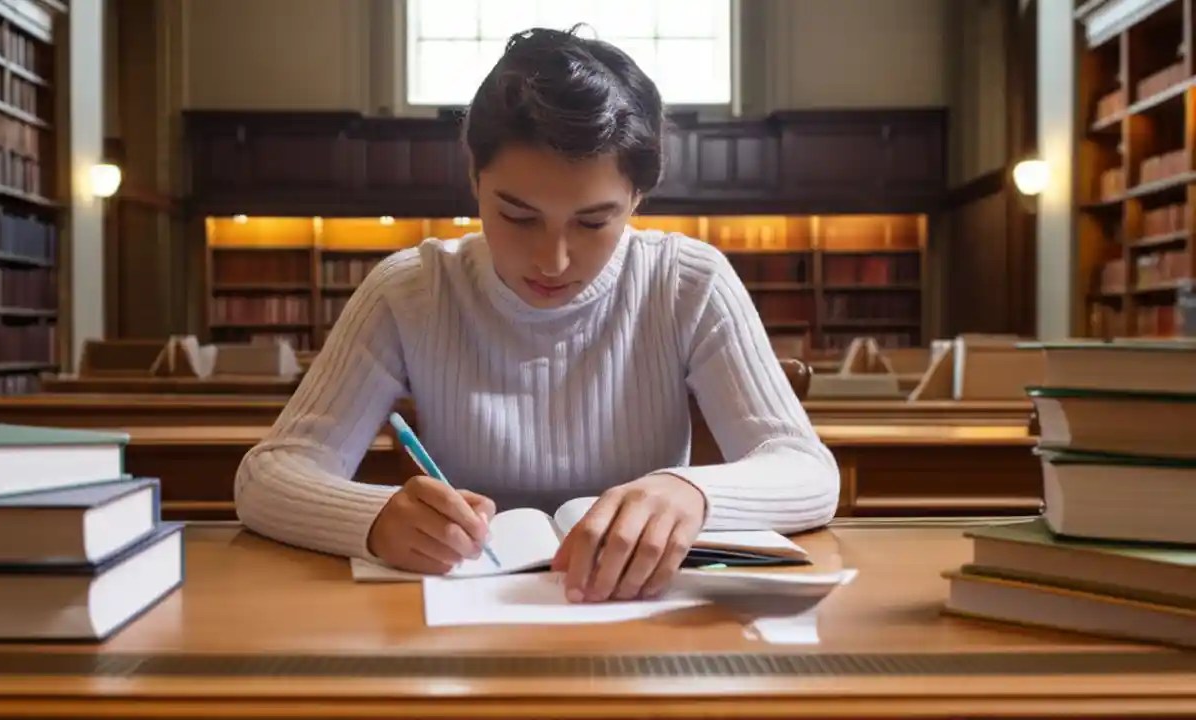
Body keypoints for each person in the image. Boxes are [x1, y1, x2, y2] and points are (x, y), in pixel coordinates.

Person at [234, 26, 839, 604]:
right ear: (475, 179)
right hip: (458, 622)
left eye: (594, 221)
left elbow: (807, 470)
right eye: (518, 217)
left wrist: (692, 492)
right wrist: (371, 518)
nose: (553, 260)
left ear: (637, 198)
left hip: (638, 621)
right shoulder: (412, 289)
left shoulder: (689, 281)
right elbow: (269, 475)